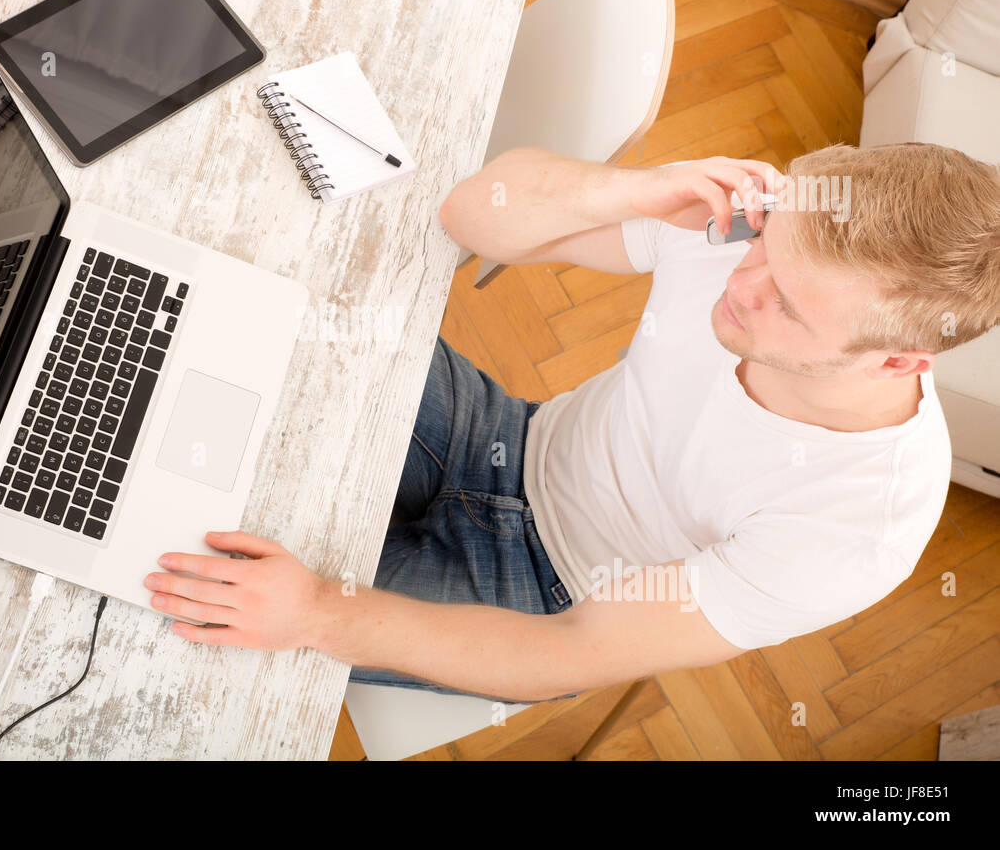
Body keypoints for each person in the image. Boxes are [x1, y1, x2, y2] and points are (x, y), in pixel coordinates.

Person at [141, 143, 1000, 704]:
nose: (742, 287)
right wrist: (636, 188)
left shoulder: (856, 527)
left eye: (790, 306)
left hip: (542, 592)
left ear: (899, 362)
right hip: (504, 434)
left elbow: (570, 652)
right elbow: (474, 217)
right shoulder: (753, 225)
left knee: (176, 597)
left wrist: (323, 614)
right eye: (762, 249)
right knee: (245, 338)